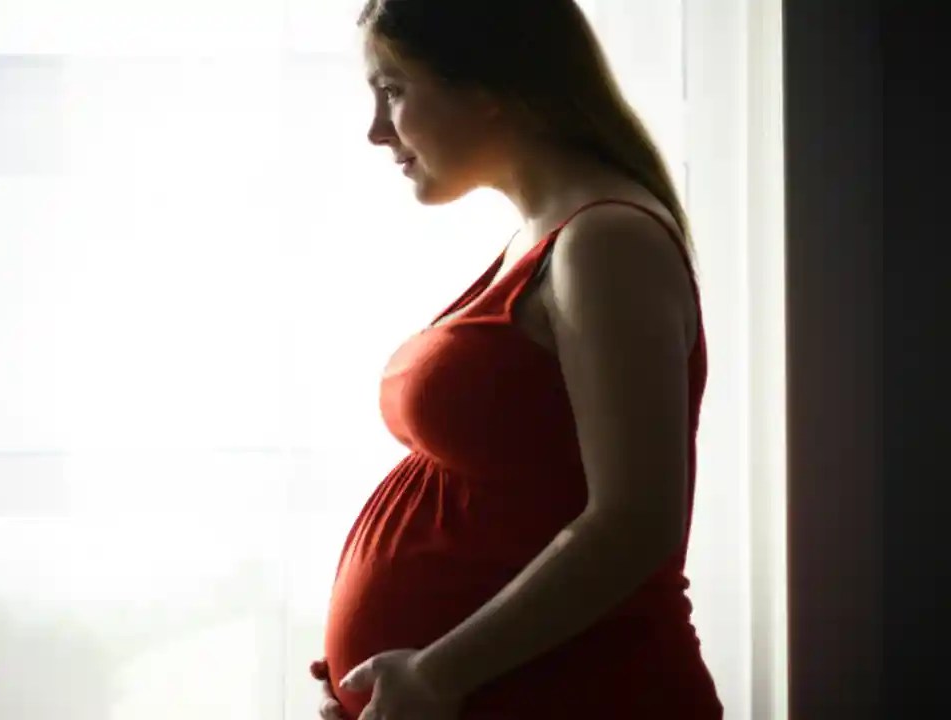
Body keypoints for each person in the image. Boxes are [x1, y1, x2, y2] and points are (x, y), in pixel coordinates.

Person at [309, 1, 724, 718]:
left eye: (394, 90)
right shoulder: (541, 238)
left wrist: (437, 673)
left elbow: (635, 525)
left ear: (492, 83)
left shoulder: (605, 242)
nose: (377, 130)